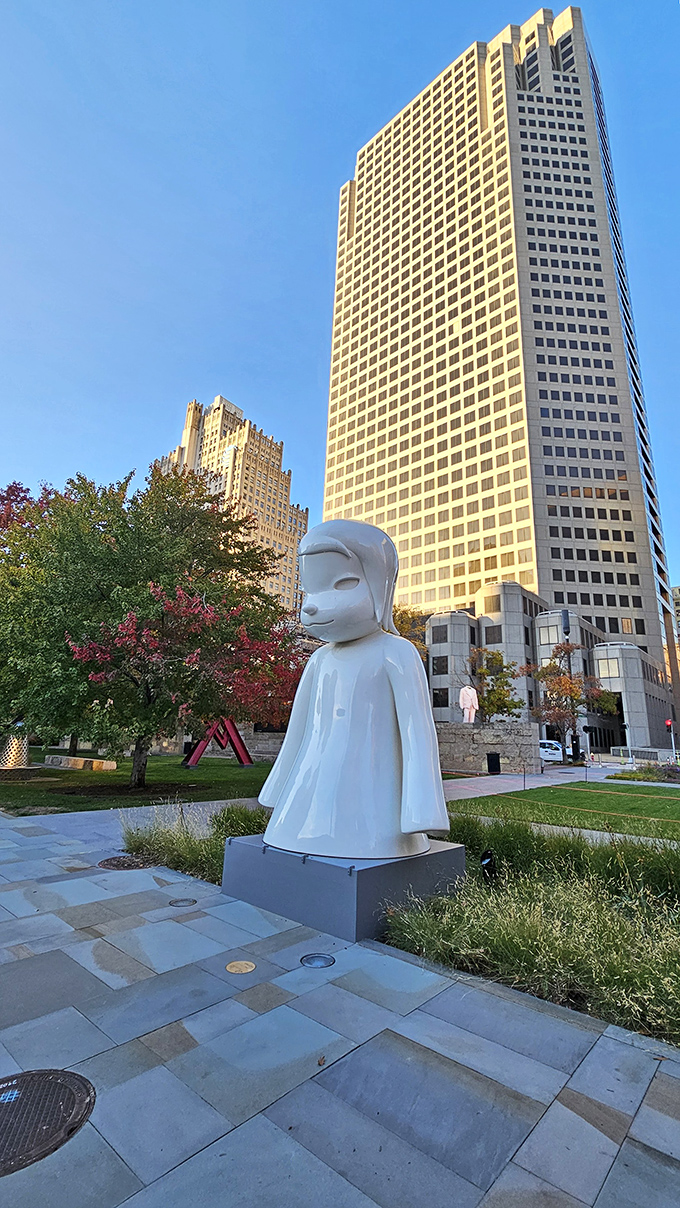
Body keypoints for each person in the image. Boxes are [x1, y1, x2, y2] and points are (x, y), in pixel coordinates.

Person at [260, 519, 449, 859]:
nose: (312, 605)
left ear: (380, 587)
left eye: (343, 583)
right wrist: (276, 789)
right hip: (305, 796)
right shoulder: (318, 660)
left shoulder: (397, 652)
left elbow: (417, 732)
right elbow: (298, 731)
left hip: (376, 809)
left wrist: (423, 809)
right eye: (308, 592)